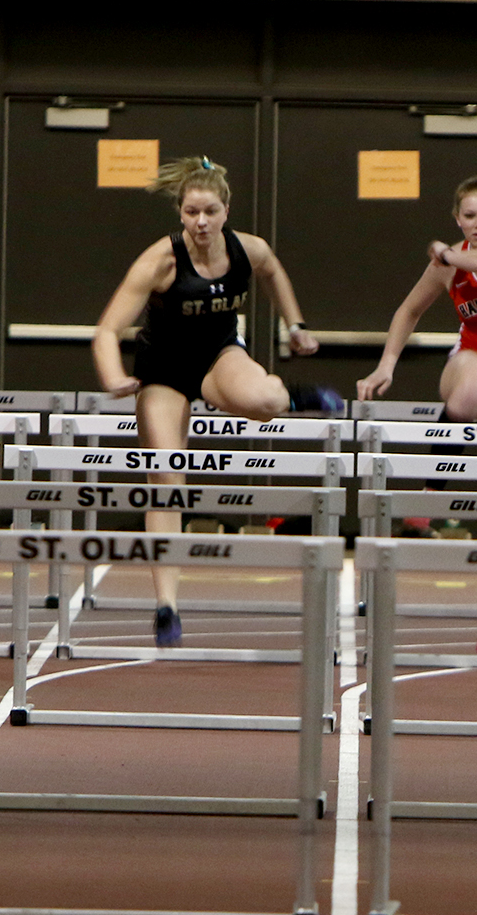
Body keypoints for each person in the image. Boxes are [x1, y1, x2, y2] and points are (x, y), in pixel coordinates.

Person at [92, 156, 338, 647]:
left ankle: (293, 396)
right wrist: (113, 376)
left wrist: (295, 324)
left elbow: (273, 271)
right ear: (180, 213)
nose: (200, 222)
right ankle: (166, 606)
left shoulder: (248, 249)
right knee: (165, 476)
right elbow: (106, 330)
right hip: (163, 370)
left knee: (264, 399)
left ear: (226, 210)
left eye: (209, 212)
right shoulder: (160, 260)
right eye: (190, 213)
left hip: (218, 356)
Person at [357, 175, 477, 656]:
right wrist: (386, 366)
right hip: (472, 364)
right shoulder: (449, 266)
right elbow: (408, 311)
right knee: (468, 396)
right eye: (470, 216)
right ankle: (429, 494)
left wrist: (448, 254)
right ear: (457, 218)